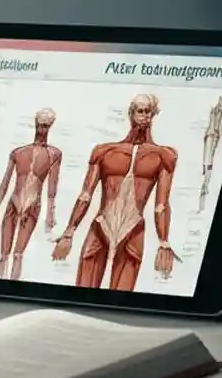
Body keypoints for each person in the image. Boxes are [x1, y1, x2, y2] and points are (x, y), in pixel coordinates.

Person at [51, 94, 178, 291]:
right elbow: (86, 195)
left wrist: (164, 241)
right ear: (131, 113)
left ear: (153, 115)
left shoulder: (164, 155)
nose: (144, 116)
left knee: (121, 295)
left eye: (148, 112)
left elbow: (161, 204)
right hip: (101, 226)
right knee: (82, 292)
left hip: (133, 228)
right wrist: (70, 231)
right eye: (140, 111)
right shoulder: (104, 151)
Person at [0, 108, 61, 280]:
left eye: (46, 126)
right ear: (35, 124)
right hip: (14, 203)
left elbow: (52, 186)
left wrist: (51, 213)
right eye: (40, 125)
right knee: (4, 254)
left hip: (33, 205)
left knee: (18, 254)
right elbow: (5, 182)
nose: (42, 129)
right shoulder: (18, 152)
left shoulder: (54, 154)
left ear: (50, 127)